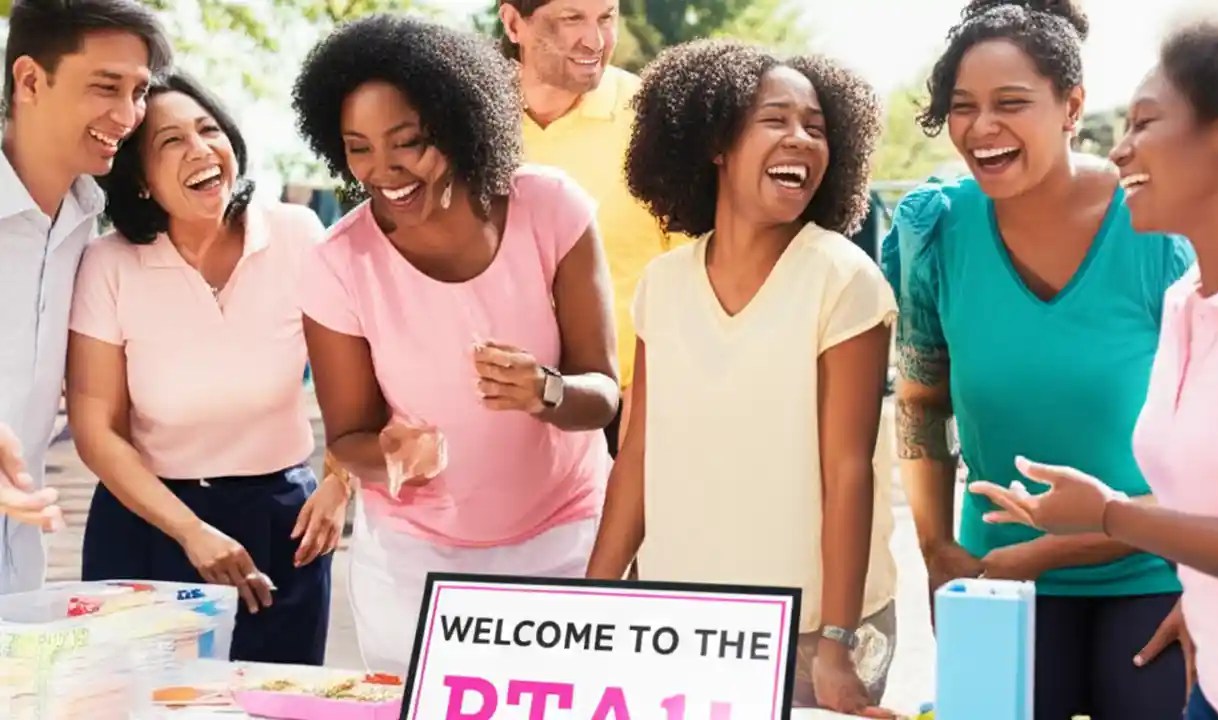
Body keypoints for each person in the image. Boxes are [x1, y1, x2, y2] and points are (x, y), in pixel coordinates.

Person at [882, 0, 1195, 716]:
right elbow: (923, 402)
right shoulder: (936, 231)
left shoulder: (1160, 227)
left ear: (1071, 106)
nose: (980, 127)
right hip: (993, 575)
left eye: (1011, 103)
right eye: (963, 106)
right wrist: (936, 551)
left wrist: (1211, 589)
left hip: (1155, 567)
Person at [969, 3, 1218, 718]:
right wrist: (1204, 595)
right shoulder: (1184, 303)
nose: (1118, 151)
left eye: (1144, 123)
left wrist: (1112, 516)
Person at [292, 14, 618, 674]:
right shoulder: (337, 263)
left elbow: (603, 394)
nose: (383, 170)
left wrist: (547, 391)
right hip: (415, 564)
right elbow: (348, 436)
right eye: (358, 148)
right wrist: (392, 456)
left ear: (457, 121)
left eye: (407, 142)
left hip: (563, 541)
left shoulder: (550, 208)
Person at [586, 39, 898, 717]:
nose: (801, 139)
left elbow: (850, 471)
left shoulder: (843, 278)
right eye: (775, 120)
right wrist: (593, 604)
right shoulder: (663, 284)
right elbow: (638, 457)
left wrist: (836, 646)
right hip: (682, 627)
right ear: (715, 144)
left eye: (816, 127)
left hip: (812, 636)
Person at [67, 72, 337, 665]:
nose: (200, 149)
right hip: (148, 522)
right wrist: (190, 531)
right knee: (138, 701)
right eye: (171, 141)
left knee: (277, 698)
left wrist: (341, 480)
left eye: (209, 129)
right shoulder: (108, 263)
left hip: (281, 524)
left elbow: (355, 376)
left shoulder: (297, 234)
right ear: (139, 178)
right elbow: (95, 430)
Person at [0, 0, 170, 594]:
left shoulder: (86, 221)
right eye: (106, 87)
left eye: (139, 91)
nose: (128, 115)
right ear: (29, 80)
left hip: (19, 564)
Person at [498, 0, 679, 455]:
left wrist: (639, 427)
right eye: (571, 18)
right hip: (502, 413)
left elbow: (692, 283)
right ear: (514, 23)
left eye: (606, 17)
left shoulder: (657, 120)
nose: (595, 41)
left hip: (632, 413)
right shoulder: (467, 120)